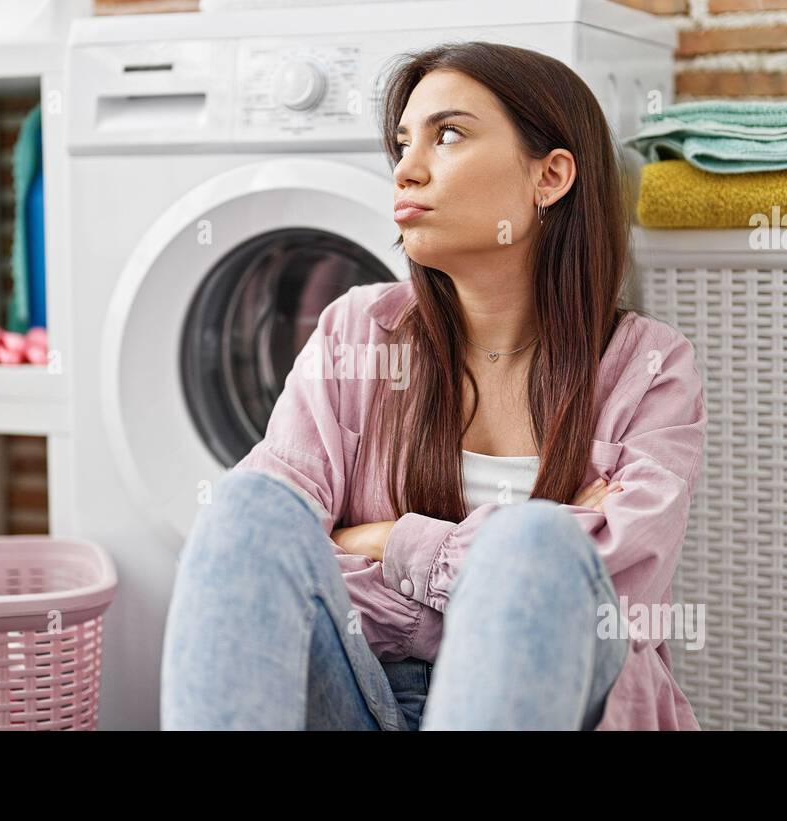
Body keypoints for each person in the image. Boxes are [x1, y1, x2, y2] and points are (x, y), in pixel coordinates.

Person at [160, 41, 707, 730]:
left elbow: (613, 596)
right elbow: (277, 559)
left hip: (557, 701)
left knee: (534, 547)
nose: (407, 170)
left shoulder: (649, 368)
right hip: (359, 690)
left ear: (551, 176)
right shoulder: (357, 332)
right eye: (401, 143)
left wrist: (387, 541)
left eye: (447, 134)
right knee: (246, 508)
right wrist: (483, 598)